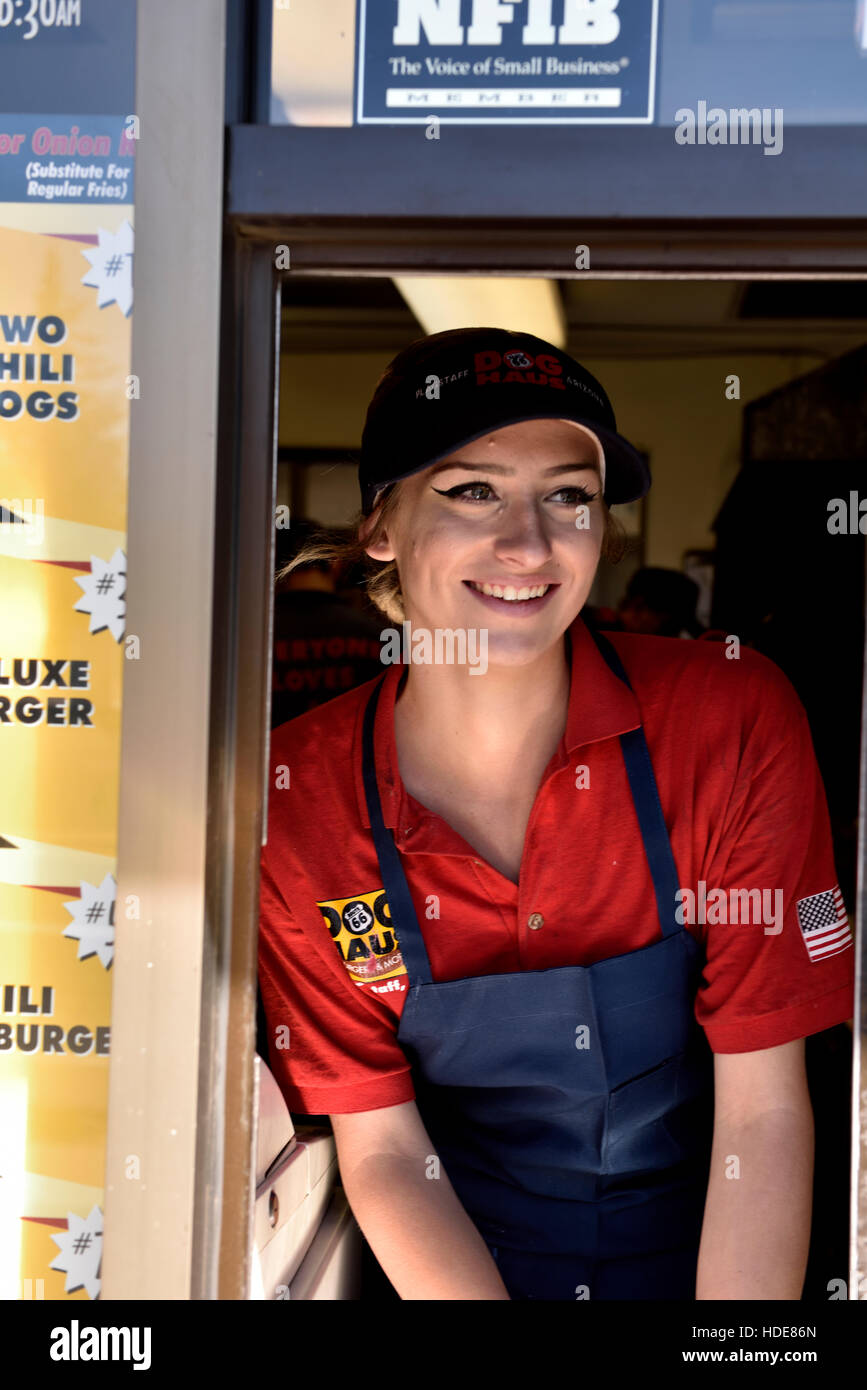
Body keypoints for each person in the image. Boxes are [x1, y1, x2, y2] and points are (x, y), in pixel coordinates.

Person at [257, 327, 854, 1301]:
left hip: (725, 1260)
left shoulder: (729, 716)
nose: (527, 543)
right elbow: (386, 1149)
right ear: (380, 524)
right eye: (473, 491)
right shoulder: (299, 795)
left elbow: (762, 1113)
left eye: (568, 495)